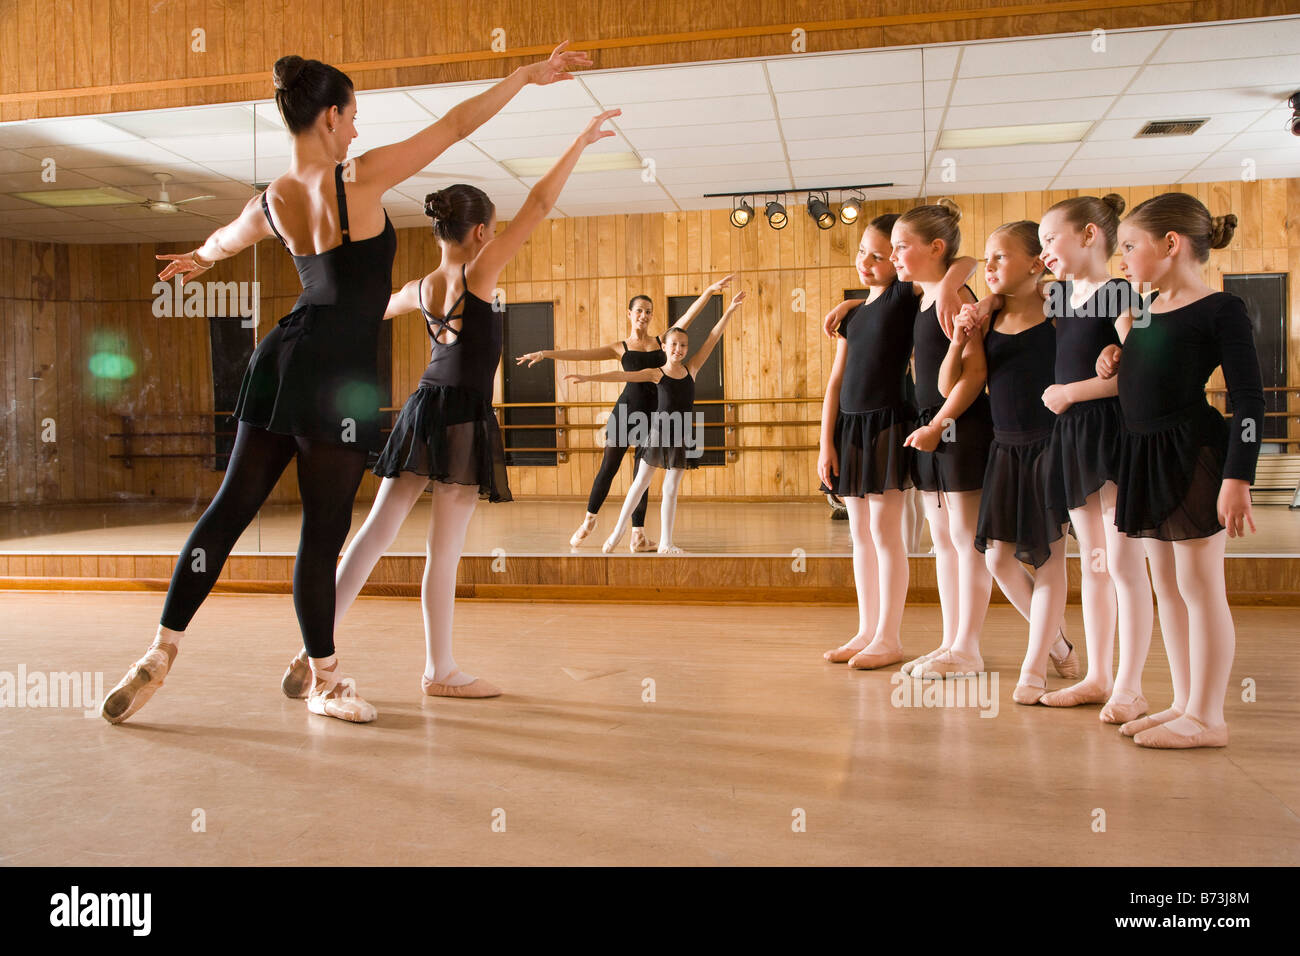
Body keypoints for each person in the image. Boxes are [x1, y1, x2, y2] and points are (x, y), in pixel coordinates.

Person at [101, 43, 591, 725]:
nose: (357, 130)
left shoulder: (273, 198)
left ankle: (161, 648)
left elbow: (226, 239)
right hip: (339, 376)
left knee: (228, 511)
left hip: (280, 356)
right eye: (353, 116)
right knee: (322, 529)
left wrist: (197, 259)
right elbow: (454, 125)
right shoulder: (354, 178)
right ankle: (326, 680)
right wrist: (525, 77)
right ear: (330, 117)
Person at [277, 109, 622, 703]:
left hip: (421, 408)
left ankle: (315, 647)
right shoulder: (480, 274)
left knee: (373, 534)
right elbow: (539, 205)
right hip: (461, 417)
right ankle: (439, 670)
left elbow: (367, 308)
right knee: (444, 552)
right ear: (481, 232)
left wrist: (320, 281)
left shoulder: (421, 289)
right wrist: (579, 141)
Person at [1098, 192, 1263, 749]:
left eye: (1129, 247)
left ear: (1171, 245)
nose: (1122, 260)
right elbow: (1147, 370)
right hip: (1143, 452)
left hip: (1192, 451)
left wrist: (1238, 478)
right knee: (1165, 584)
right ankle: (1182, 702)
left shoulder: (1221, 309)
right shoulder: (1143, 308)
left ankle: (1210, 717)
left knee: (1199, 584)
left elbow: (1248, 401)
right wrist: (1117, 356)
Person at [516, 277, 735, 551]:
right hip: (626, 413)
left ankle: (637, 534)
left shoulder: (662, 342)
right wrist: (545, 354)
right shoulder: (619, 347)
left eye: (648, 311)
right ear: (629, 314)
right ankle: (589, 519)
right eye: (639, 310)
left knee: (640, 476)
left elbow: (688, 318)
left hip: (653, 417)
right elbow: (582, 354)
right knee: (609, 466)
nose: (644, 315)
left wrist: (708, 292)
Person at [565, 292, 746, 554]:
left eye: (683, 346)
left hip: (683, 433)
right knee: (640, 483)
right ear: (664, 348)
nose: (678, 350)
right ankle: (617, 532)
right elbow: (622, 375)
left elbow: (713, 338)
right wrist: (590, 377)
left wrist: (729, 310)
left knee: (671, 489)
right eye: (673, 345)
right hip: (658, 432)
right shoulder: (656, 373)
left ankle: (665, 543)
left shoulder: (692, 369)